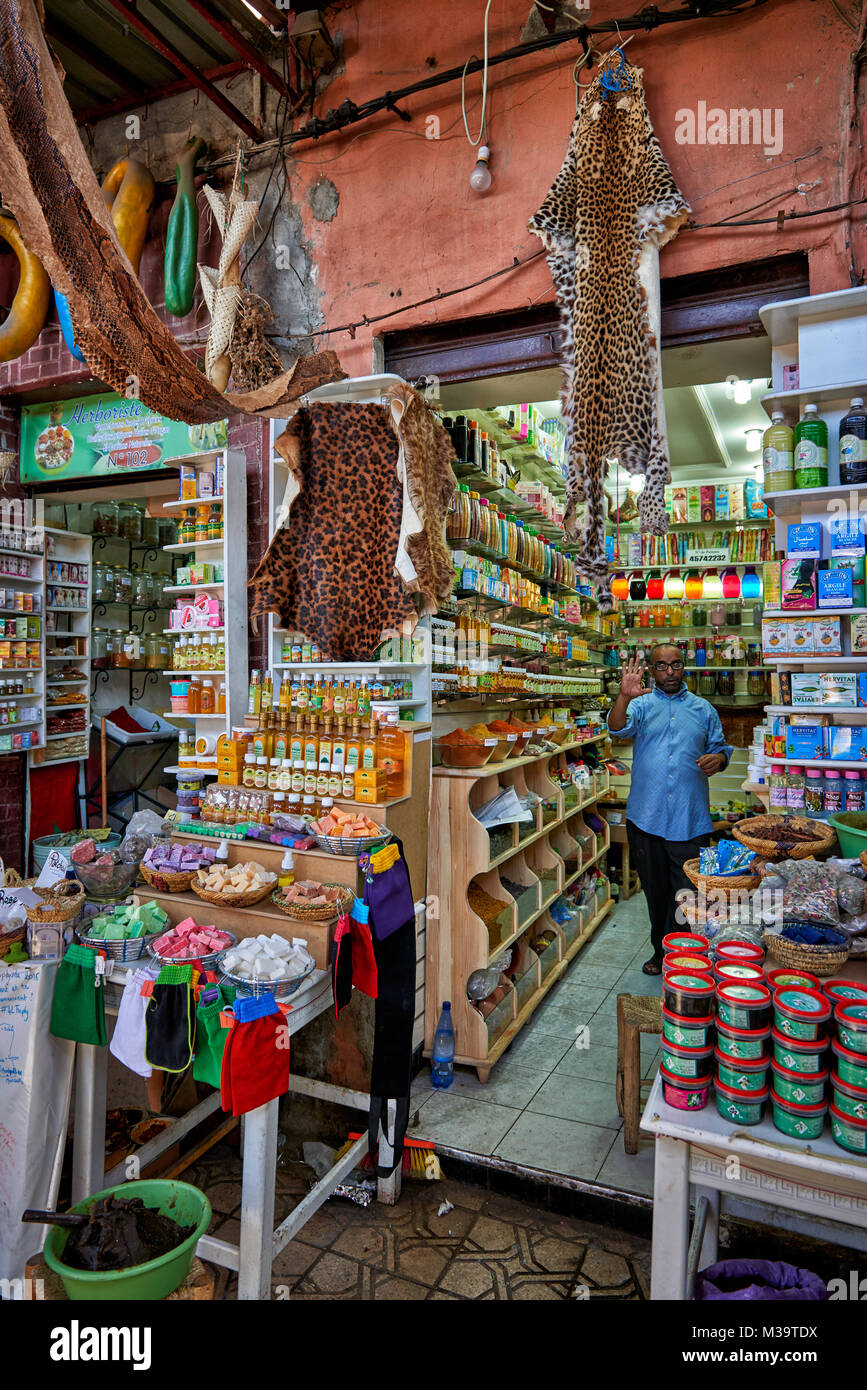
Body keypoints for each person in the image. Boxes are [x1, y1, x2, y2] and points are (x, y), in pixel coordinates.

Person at [607, 643, 732, 975]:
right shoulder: (642, 706)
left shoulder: (704, 709)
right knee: (656, 892)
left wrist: (718, 759)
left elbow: (721, 748)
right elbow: (617, 729)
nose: (670, 672)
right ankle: (659, 952)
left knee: (687, 896)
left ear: (684, 666)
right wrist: (623, 696)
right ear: (651, 670)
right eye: (661, 666)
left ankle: (679, 952)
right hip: (646, 818)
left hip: (690, 820)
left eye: (676, 664)